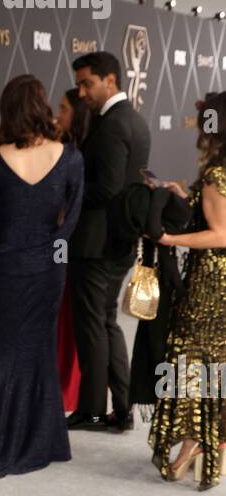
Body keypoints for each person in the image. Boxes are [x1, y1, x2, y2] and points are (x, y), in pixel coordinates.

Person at [0, 75, 83, 476]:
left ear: (8, 110)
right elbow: (73, 217)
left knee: (2, 353)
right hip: (48, 271)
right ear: (42, 106)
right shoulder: (68, 157)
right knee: (38, 351)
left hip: (4, 273)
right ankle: (41, 440)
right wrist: (52, 253)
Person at [67, 50, 151, 431]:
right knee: (107, 324)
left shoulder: (114, 124)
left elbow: (108, 188)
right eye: (80, 83)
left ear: (110, 81)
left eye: (88, 83)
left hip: (96, 245)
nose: (81, 91)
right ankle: (121, 408)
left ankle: (94, 410)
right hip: (117, 242)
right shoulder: (134, 120)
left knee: (93, 327)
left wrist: (66, 192)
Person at [148, 92, 226, 490]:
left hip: (210, 283)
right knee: (213, 360)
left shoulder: (216, 175)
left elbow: (220, 233)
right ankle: (214, 441)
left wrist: (170, 239)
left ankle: (194, 444)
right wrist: (184, 194)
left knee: (193, 360)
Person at [54, 87, 91, 411]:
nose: (57, 114)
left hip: (73, 244)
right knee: (62, 315)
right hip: (61, 245)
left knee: (72, 316)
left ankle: (71, 386)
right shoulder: (61, 148)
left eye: (63, 109)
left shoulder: (80, 154)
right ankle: (62, 383)